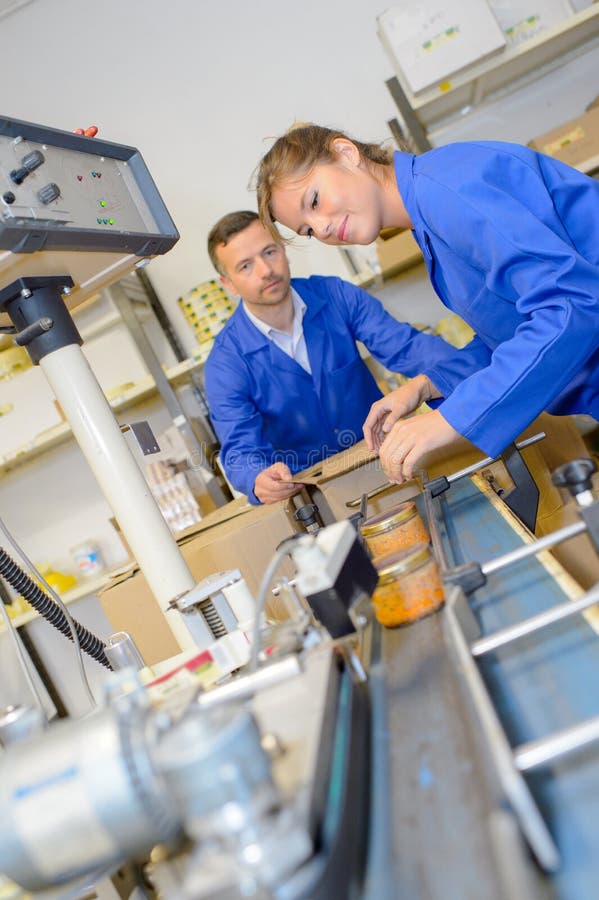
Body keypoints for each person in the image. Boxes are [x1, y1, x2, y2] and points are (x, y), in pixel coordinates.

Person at [256, 124, 599, 484]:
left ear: (346, 153)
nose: (321, 228)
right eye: (307, 230)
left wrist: (451, 418)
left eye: (314, 201)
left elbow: (573, 306)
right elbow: (513, 328)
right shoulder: (429, 213)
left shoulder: (448, 191)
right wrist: (431, 384)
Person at [203, 210, 491, 504]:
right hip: (314, 494)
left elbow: (408, 348)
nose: (265, 270)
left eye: (269, 251)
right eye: (246, 266)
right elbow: (239, 448)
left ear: (283, 248)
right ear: (228, 284)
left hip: (384, 463)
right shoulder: (226, 362)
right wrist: (256, 479)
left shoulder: (336, 295)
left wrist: (483, 380)